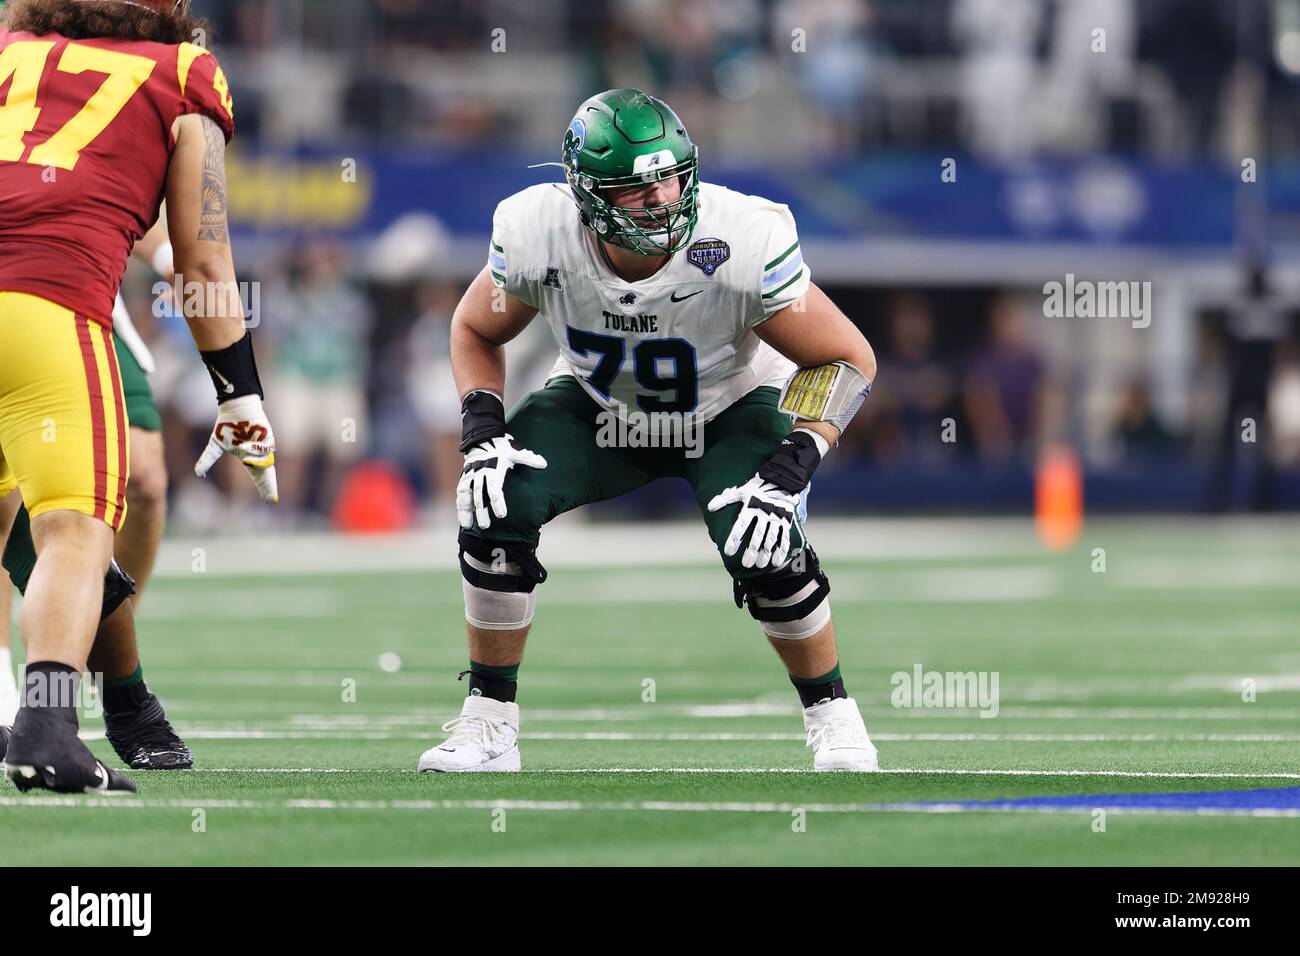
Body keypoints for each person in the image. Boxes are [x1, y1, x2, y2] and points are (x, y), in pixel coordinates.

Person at [420, 89, 879, 773]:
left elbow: (846, 357)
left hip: (730, 405)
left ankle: (835, 717)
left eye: (671, 177)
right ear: (586, 194)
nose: (662, 200)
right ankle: (489, 725)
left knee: (764, 543)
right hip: (598, 406)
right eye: (636, 190)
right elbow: (476, 328)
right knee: (493, 497)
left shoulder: (740, 236)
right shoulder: (537, 233)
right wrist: (483, 426)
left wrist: (798, 456)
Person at [0, 0, 277, 794]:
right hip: (47, 306)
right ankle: (48, 725)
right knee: (75, 531)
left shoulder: (11, 51)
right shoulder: (184, 73)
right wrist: (241, 400)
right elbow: (204, 263)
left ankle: (107, 704)